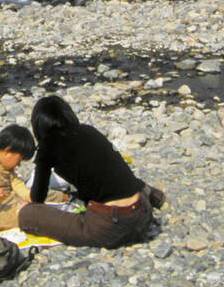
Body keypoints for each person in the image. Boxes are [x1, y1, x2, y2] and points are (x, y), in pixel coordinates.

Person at [17, 96, 165, 249]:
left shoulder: (47, 147)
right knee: (123, 180)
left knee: (28, 214)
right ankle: (155, 195)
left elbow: (38, 198)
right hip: (143, 215)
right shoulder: (89, 130)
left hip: (109, 227)